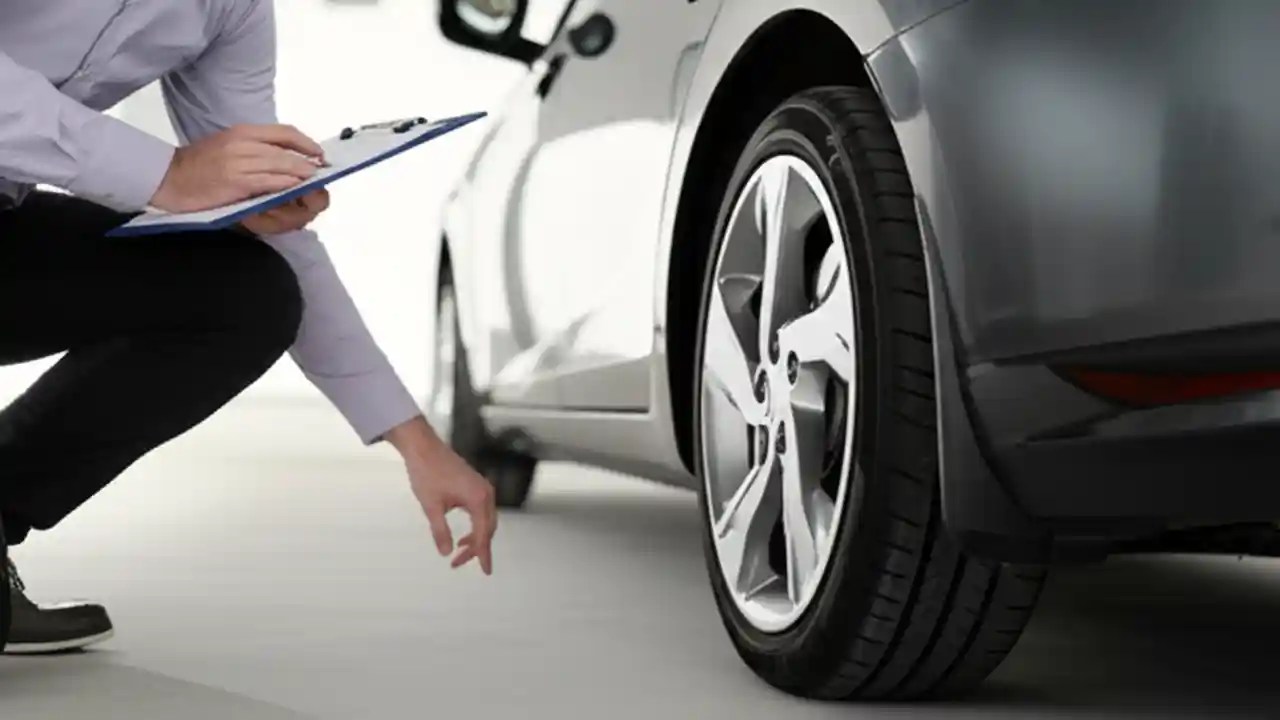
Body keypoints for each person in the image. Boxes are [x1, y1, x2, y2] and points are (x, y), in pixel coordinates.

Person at [0, 1, 498, 654]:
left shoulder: (229, 11)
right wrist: (168, 173)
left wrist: (416, 441)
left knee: (244, 292)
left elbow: (261, 215)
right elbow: (176, 177)